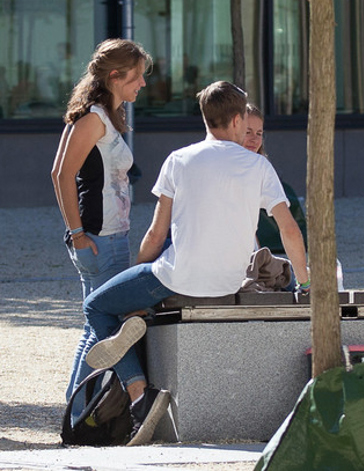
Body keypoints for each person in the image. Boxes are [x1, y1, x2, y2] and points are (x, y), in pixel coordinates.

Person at [81, 81, 310, 446]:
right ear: (237, 120)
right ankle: (138, 317)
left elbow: (156, 235)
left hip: (176, 278)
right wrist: (305, 284)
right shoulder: (259, 166)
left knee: (96, 306)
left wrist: (133, 276)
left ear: (206, 119)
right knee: (135, 306)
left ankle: (141, 395)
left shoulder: (179, 159)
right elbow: (290, 231)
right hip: (229, 282)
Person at [50, 39, 151, 422]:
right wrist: (77, 233)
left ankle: (75, 415)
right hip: (98, 239)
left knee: (96, 326)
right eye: (136, 76)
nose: (141, 83)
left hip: (110, 237)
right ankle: (128, 395)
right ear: (114, 76)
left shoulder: (106, 115)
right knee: (106, 321)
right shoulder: (92, 118)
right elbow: (61, 174)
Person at [243, 104, 308, 255]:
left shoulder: (260, 167)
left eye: (259, 133)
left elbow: (288, 228)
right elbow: (289, 229)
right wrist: (303, 279)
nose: (254, 139)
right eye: (248, 132)